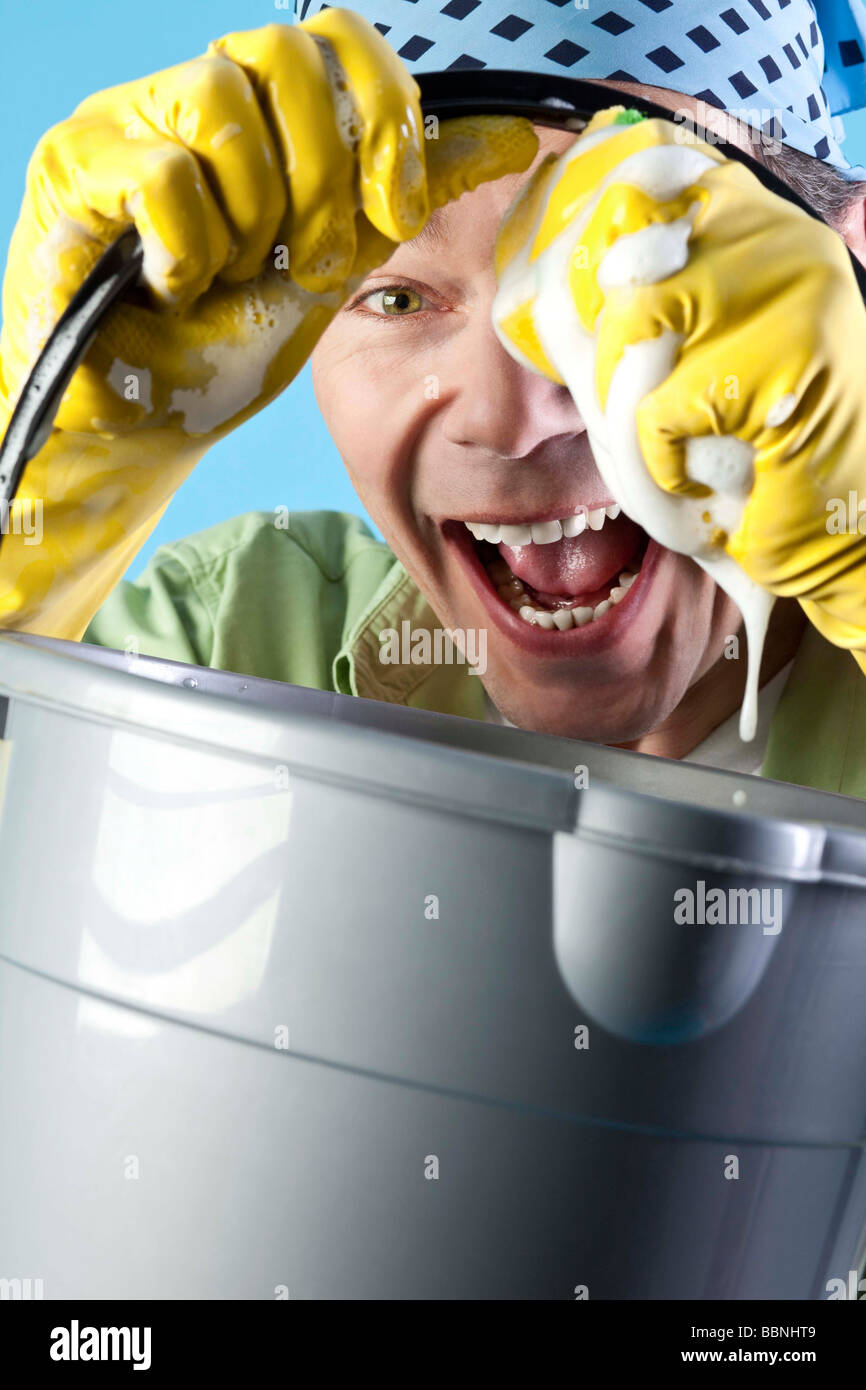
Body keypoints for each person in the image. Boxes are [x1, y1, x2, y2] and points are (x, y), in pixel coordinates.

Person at [2, 0, 866, 792]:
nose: (508, 420)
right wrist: (33, 510)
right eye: (398, 297)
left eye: (634, 273)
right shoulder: (217, 653)